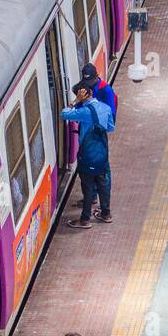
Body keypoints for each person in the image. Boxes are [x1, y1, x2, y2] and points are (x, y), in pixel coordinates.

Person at [59, 81, 116, 229]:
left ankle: (85, 219)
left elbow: (64, 114)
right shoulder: (106, 108)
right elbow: (110, 127)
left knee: (88, 187)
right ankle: (106, 214)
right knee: (103, 184)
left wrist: (76, 101)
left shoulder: (84, 112)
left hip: (87, 156)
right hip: (102, 154)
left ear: (82, 95)